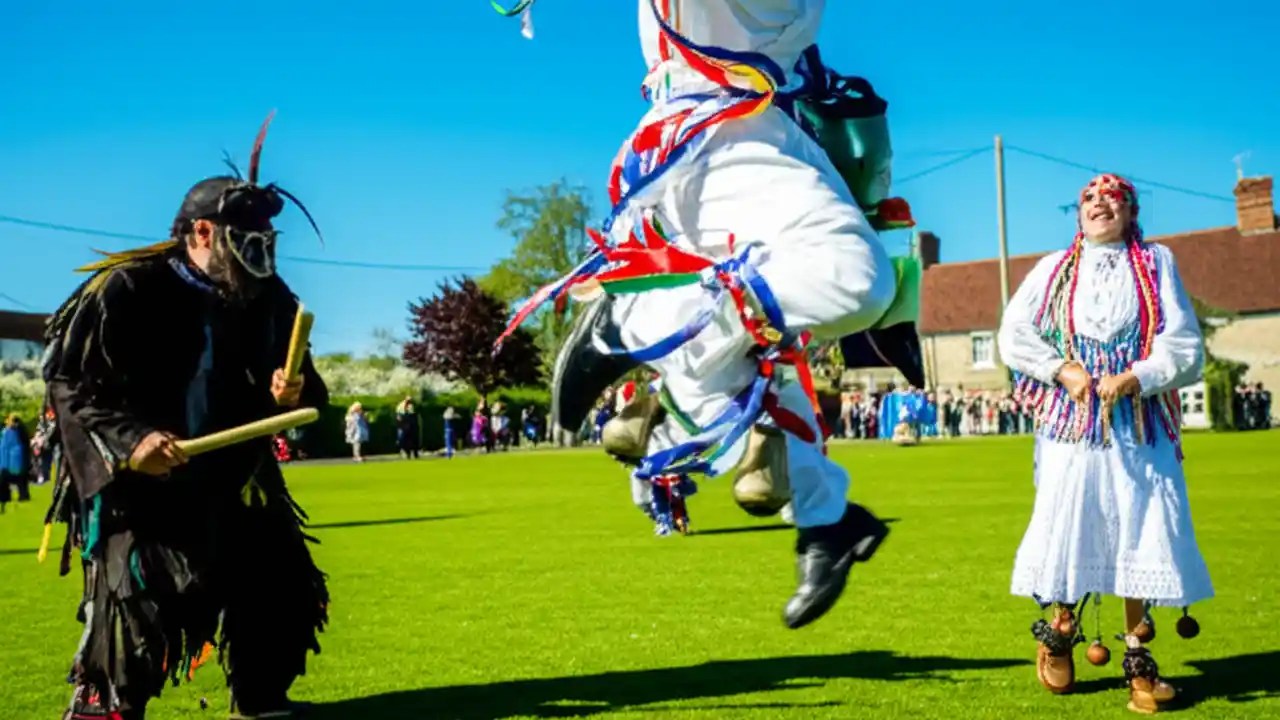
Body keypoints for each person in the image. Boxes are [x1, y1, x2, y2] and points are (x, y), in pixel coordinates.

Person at [494, 0, 925, 631]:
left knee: (768, 336)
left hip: (752, 129)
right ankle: (633, 328)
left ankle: (824, 517)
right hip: (724, 136)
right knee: (855, 279)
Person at [39, 115, 331, 720]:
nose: (261, 254)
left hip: (240, 479)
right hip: (149, 485)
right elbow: (71, 382)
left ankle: (261, 697)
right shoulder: (127, 290)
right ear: (202, 232)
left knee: (280, 584)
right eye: (246, 240)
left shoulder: (270, 297)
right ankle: (103, 707)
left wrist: (292, 392)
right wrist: (131, 442)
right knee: (139, 603)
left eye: (267, 241)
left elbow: (307, 392)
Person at [997, 173, 1213, 714]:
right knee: (1071, 518)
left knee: (1141, 522)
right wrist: (1060, 368)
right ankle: (1061, 630)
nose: (1099, 204)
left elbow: (1184, 343)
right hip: (1071, 424)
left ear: (1131, 212)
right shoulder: (1053, 268)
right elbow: (1013, 333)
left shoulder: (1157, 262)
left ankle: (1137, 656)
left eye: (1112, 198)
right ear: (1078, 214)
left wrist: (1139, 375)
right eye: (1089, 199)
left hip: (1139, 423)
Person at [1, 413, 31, 511]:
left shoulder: (16, 431)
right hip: (13, 459)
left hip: (14, 459)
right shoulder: (16, 431)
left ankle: (20, 496)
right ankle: (21, 495)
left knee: (18, 479)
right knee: (19, 479)